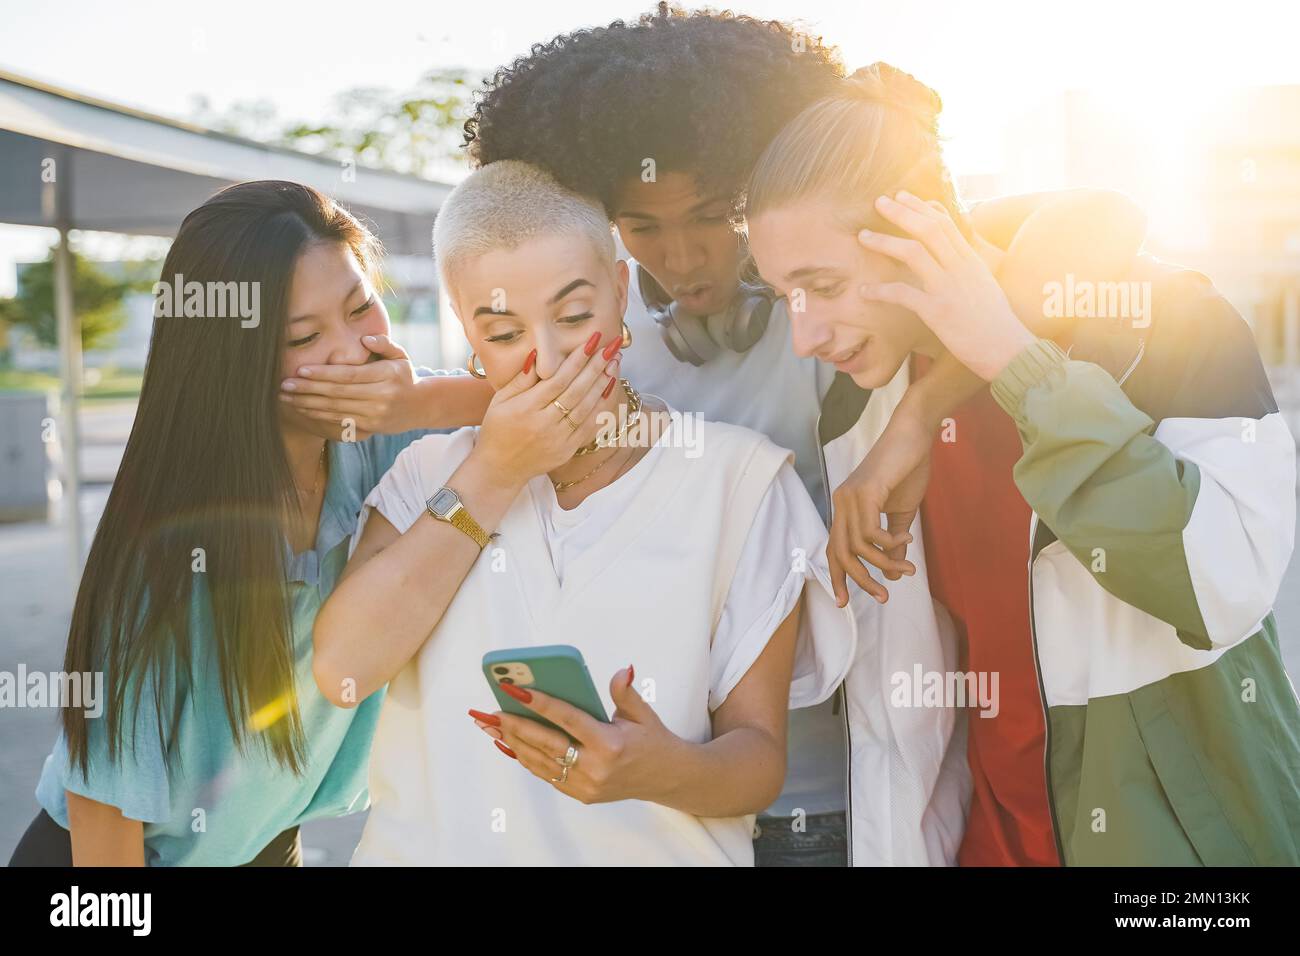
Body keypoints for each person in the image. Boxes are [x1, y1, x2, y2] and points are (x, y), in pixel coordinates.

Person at [462, 3, 1147, 864]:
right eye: (644, 228)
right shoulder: (590, 331)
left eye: (713, 216)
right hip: (653, 804)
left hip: (834, 799)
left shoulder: (836, 304)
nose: (683, 257)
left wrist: (910, 422)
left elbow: (1087, 226)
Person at [745, 63, 1300, 865]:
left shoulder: (1169, 325)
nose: (806, 336)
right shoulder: (859, 413)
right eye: (784, 296)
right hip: (986, 846)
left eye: (823, 286)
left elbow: (1223, 585)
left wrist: (1018, 365)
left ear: (920, 230)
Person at [313, 160, 855, 865]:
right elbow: (344, 669)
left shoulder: (741, 481)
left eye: (574, 316)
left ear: (621, 295)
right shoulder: (428, 475)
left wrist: (659, 770)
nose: (547, 358)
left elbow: (757, 762)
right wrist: (497, 472)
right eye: (504, 333)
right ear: (466, 331)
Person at [8, 180, 493, 866]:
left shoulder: (386, 437)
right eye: (304, 336)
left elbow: (547, 409)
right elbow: (104, 830)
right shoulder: (167, 548)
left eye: (362, 308)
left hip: (266, 846)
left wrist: (416, 404)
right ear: (234, 361)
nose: (355, 352)